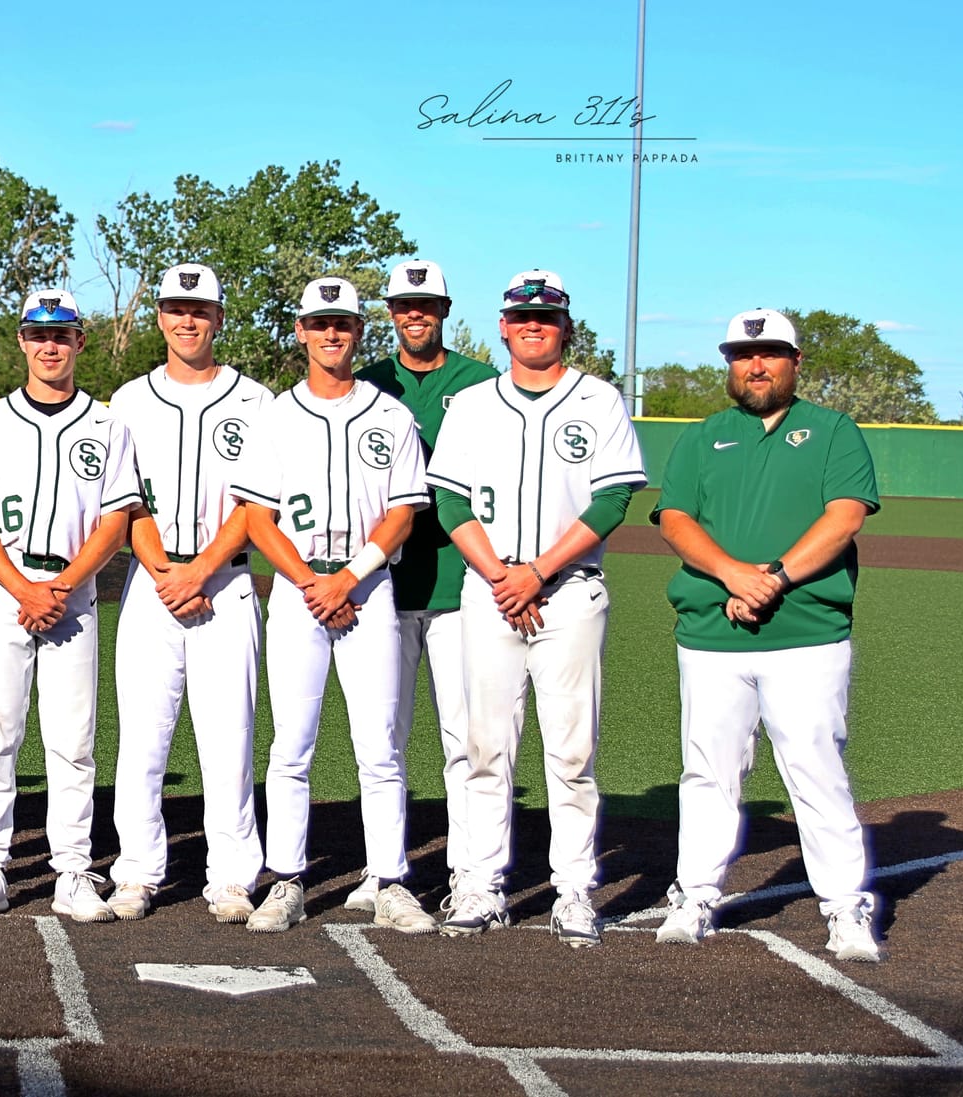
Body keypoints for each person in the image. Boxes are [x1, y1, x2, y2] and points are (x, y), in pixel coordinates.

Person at [425, 270, 648, 947]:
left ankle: (573, 888)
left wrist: (538, 572)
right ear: (502, 325)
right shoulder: (473, 403)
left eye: (546, 317)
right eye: (521, 315)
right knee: (484, 747)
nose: (533, 324)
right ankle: (480, 881)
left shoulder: (599, 400)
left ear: (565, 328)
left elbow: (612, 501)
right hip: (491, 590)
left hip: (569, 591)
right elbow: (450, 501)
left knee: (572, 751)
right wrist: (503, 576)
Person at [652, 308, 883, 962]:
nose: (756, 365)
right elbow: (674, 519)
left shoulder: (834, 431)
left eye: (771, 353)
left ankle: (845, 905)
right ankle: (695, 894)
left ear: (795, 361)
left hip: (807, 634)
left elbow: (844, 517)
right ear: (730, 363)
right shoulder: (703, 437)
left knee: (815, 768)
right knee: (709, 771)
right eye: (743, 355)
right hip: (712, 634)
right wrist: (732, 574)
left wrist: (773, 579)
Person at [229, 277, 433, 934]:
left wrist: (348, 576)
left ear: (359, 330)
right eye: (319, 323)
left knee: (380, 745)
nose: (331, 333)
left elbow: (402, 513)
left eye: (342, 322)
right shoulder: (275, 416)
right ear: (301, 331)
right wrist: (311, 581)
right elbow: (256, 518)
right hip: (299, 592)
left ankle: (389, 880)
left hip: (368, 589)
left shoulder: (390, 415)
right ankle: (287, 880)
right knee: (292, 743)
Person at [0, 288, 144, 922]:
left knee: (73, 741)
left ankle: (72, 870)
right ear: (22, 341)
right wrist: (23, 588)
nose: (50, 345)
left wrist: (58, 588)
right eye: (39, 334)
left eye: (61, 335)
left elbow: (115, 523)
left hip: (73, 595)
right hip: (4, 593)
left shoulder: (106, 425)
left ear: (80, 341)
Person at [104, 263, 270, 924]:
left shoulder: (254, 401)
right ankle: (137, 871)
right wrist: (168, 573)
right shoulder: (129, 400)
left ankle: (232, 875)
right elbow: (125, 503)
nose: (187, 319)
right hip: (152, 583)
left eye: (200, 309)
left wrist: (199, 570)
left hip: (226, 583)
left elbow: (257, 505)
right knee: (143, 739)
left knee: (229, 739)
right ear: (161, 317)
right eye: (176, 308)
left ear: (219, 318)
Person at [354, 260, 497, 911]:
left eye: (427, 304)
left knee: (464, 740)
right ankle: (383, 867)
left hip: (457, 584)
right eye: (405, 305)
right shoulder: (366, 385)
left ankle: (469, 869)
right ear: (391, 313)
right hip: (379, 586)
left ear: (444, 308)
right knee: (382, 738)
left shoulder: (480, 384)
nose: (416, 314)